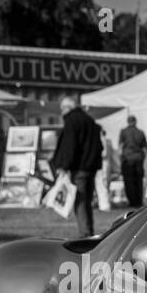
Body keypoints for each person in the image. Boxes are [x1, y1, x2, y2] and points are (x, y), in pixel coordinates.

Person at [50, 95, 103, 237]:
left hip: (79, 168)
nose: (61, 112)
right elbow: (98, 146)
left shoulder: (72, 121)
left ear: (68, 108)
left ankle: (85, 233)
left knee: (80, 202)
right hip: (91, 167)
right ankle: (88, 231)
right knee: (86, 202)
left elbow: (70, 145)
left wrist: (64, 165)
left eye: (62, 109)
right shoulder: (90, 120)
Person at [118, 115, 147, 208]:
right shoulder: (140, 132)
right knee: (138, 181)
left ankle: (132, 202)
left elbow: (120, 147)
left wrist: (121, 159)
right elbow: (145, 148)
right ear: (135, 121)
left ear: (128, 122)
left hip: (127, 160)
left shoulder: (123, 132)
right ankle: (139, 201)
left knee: (129, 182)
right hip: (138, 159)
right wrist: (143, 158)